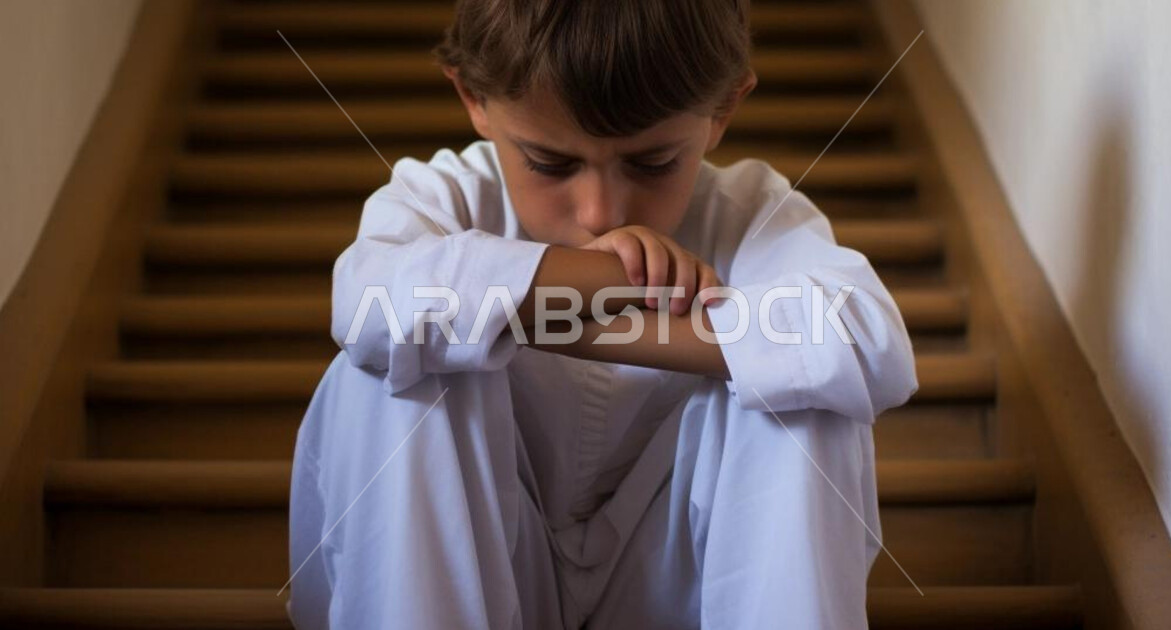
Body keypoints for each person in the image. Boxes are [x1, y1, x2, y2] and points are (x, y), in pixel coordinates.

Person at [286, 1, 919, 628]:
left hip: (679, 580)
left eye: (651, 163)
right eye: (550, 163)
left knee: (809, 400)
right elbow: (367, 305)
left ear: (723, 109)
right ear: (473, 98)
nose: (600, 214)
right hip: (492, 566)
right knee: (390, 367)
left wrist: (536, 319)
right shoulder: (444, 194)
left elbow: (867, 342)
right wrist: (610, 280)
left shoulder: (752, 208)